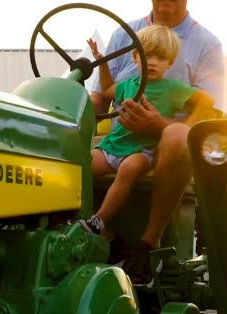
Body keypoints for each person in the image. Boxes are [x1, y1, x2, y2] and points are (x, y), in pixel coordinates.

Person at [84, 0, 226, 278]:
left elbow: (206, 117)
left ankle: (149, 245)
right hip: (117, 142)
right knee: (64, 146)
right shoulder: (123, 35)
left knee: (179, 133)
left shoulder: (206, 44)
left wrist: (158, 125)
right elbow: (98, 99)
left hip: (163, 151)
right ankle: (84, 230)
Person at [79, 24, 215, 244]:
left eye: (161, 57)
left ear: (170, 63)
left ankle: (99, 221)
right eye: (147, 55)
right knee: (81, 165)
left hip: (142, 150)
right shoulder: (127, 86)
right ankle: (75, 218)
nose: (153, 61)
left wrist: (188, 126)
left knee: (128, 170)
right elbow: (106, 90)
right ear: (135, 57)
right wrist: (102, 64)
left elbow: (206, 100)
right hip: (113, 145)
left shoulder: (172, 89)